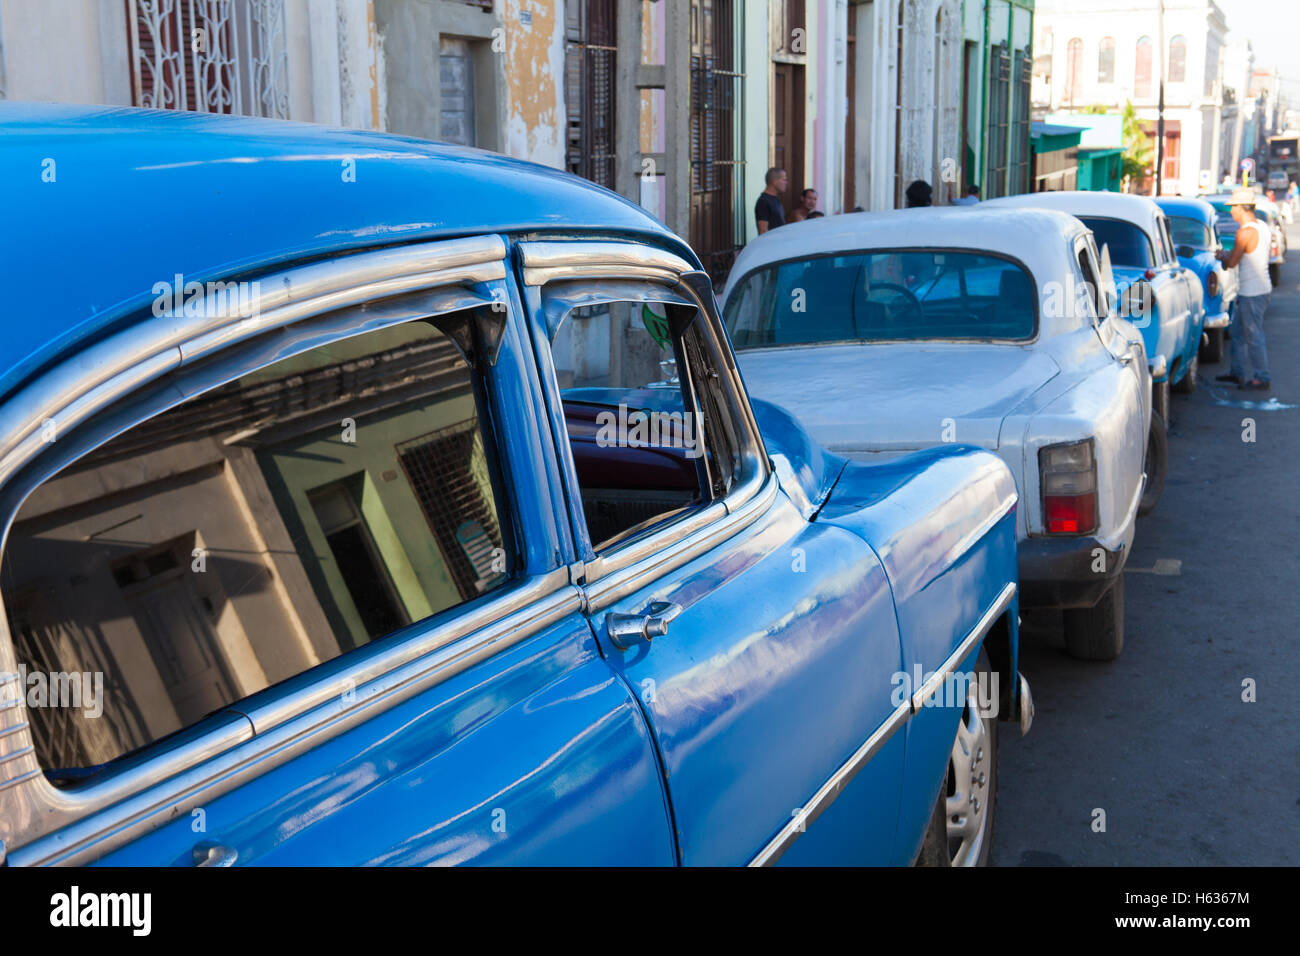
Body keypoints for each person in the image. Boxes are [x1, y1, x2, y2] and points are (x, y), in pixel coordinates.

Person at [1215, 188, 1272, 390]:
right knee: (1238, 332)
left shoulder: (1245, 232)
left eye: (1233, 208)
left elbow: (1232, 262)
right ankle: (1237, 372)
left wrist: (1222, 255)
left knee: (1252, 334)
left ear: (1241, 208)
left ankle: (1261, 377)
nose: (1231, 212)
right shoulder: (1261, 226)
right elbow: (1246, 254)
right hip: (1259, 288)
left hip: (1252, 292)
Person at [755, 167, 787, 234]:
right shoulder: (763, 201)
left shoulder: (775, 199)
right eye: (784, 180)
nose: (786, 183)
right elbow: (763, 230)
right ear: (775, 181)